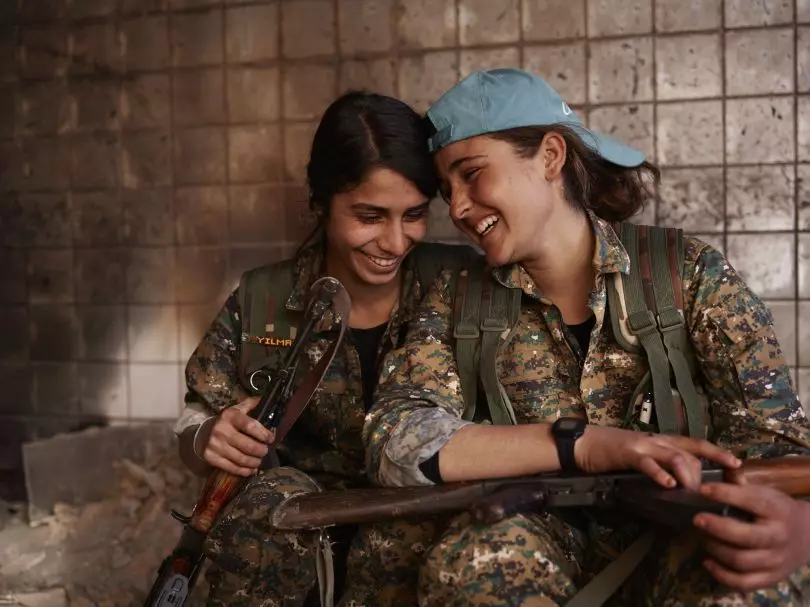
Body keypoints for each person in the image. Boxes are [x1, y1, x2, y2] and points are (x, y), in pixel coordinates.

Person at [363, 69, 810, 606]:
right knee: (476, 561)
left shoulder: (685, 275)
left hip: (681, 537)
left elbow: (775, 446)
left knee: (758, 579)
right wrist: (582, 446)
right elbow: (396, 440)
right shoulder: (455, 298)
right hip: (532, 541)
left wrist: (801, 528)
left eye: (472, 174)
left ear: (550, 156)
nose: (456, 207)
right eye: (446, 189)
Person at [174, 91, 476, 606]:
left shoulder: (462, 281)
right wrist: (208, 439)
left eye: (415, 215)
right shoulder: (263, 297)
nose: (396, 242)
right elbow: (196, 417)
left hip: (420, 532)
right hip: (294, 541)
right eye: (370, 215)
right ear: (321, 201)